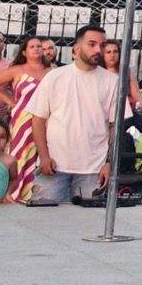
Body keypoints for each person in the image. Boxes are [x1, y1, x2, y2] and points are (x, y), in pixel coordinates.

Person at [27, 26, 120, 205]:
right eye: (91, 44)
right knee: (43, 219)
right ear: (76, 48)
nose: (97, 50)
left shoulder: (112, 81)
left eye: (101, 45)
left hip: (94, 168)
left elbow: (114, 126)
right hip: (54, 165)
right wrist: (44, 156)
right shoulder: (54, 77)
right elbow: (38, 120)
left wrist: (109, 163)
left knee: (87, 226)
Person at [0, 36, 52, 203]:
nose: (36, 49)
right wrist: (10, 101)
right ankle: (15, 193)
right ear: (24, 52)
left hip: (46, 118)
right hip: (22, 119)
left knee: (41, 153)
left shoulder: (51, 71)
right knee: (20, 153)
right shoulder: (17, 70)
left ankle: (36, 193)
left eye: (39, 46)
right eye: (32, 46)